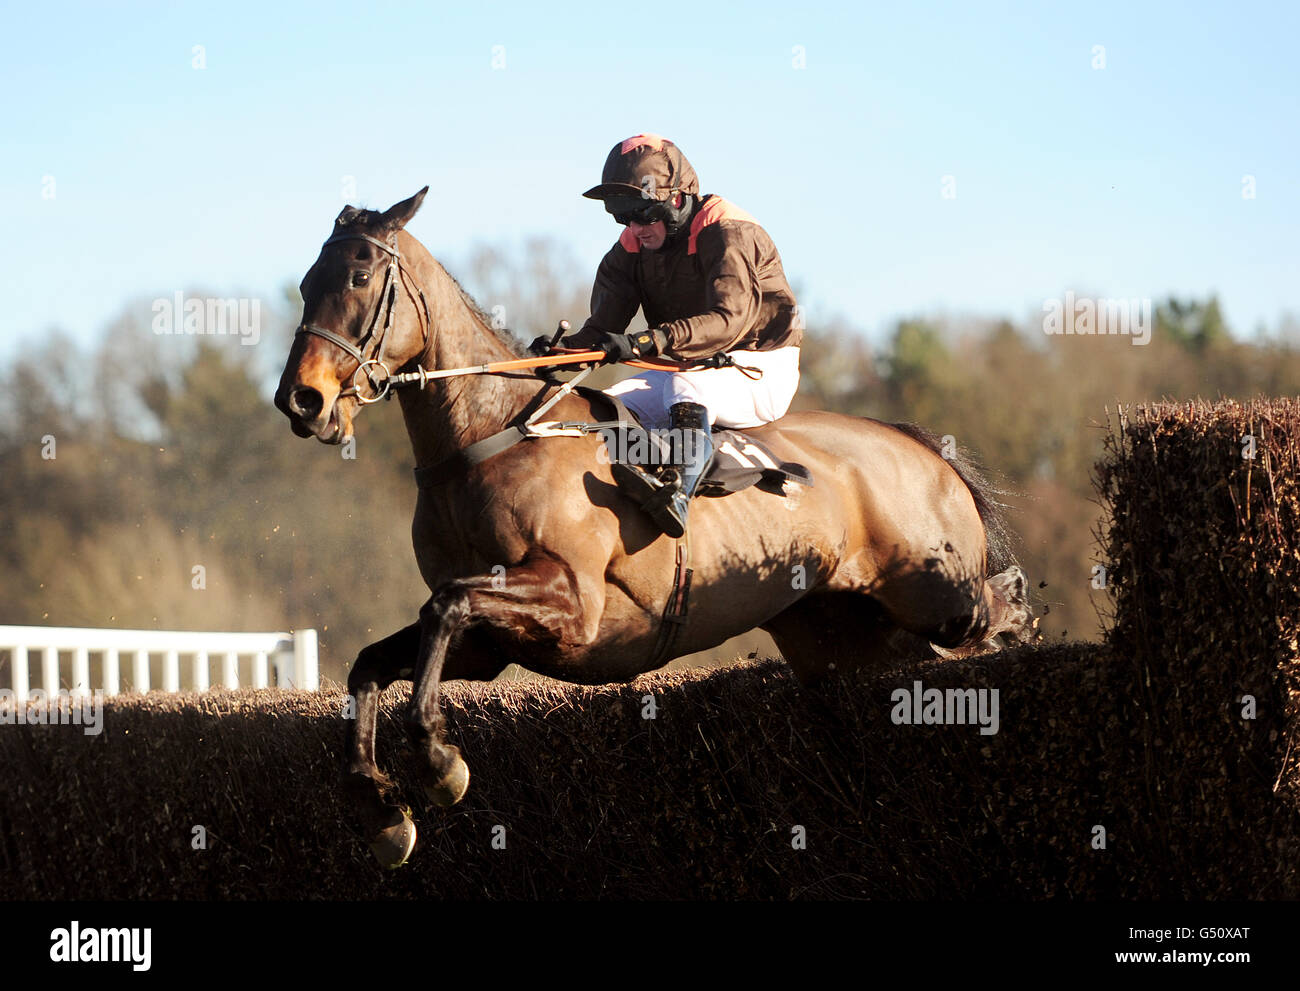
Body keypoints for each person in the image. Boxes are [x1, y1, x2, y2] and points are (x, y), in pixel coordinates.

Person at [538, 134, 802, 538]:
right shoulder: (630, 248)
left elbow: (728, 319)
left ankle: (676, 493)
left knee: (685, 386)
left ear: (677, 199)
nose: (635, 228)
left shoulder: (728, 232)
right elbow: (602, 331)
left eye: (644, 214)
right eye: (623, 216)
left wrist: (651, 340)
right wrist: (559, 355)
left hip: (758, 364)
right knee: (607, 408)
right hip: (687, 365)